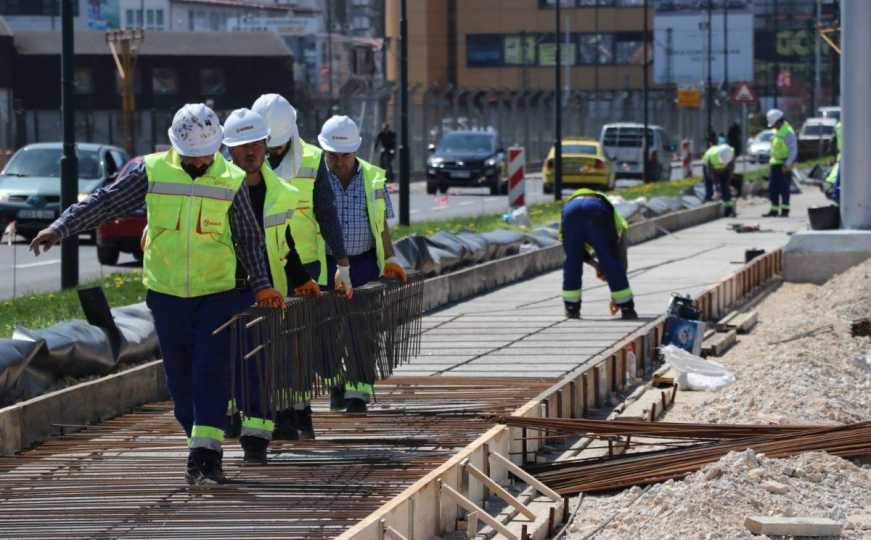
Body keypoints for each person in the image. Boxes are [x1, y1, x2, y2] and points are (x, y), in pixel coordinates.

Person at [28, 103, 284, 485]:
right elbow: (105, 201)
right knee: (181, 381)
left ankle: (206, 457)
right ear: (176, 147)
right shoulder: (150, 170)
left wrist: (262, 284)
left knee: (210, 372)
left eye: (206, 154)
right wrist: (60, 228)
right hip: (166, 295)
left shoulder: (230, 179)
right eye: (192, 155)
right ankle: (197, 440)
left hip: (217, 293)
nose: (200, 162)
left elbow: (248, 237)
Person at [222, 108, 321, 464]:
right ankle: (230, 419)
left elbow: (286, 242)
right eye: (241, 146)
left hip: (269, 292)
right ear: (228, 150)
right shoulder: (215, 187)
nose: (250, 152)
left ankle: (257, 439)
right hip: (223, 289)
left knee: (264, 365)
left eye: (256, 144)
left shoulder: (279, 189)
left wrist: (302, 280)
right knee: (230, 363)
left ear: (266, 145)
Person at [251, 93, 351, 440]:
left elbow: (327, 212)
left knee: (298, 348)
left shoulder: (311, 159)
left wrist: (342, 263)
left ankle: (299, 413)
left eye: (277, 147)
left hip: (304, 269)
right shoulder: (243, 156)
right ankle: (276, 413)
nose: (272, 152)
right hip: (259, 268)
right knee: (267, 345)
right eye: (268, 146)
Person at [317, 115, 407, 413]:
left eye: (345, 155)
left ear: (355, 151)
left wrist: (391, 258)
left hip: (365, 264)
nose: (339, 162)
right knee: (329, 330)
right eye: (333, 155)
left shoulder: (372, 177)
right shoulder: (314, 178)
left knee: (363, 329)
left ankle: (358, 393)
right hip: (327, 264)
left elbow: (380, 223)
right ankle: (335, 383)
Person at [561, 188, 637, 321]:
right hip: (596, 210)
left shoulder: (569, 205)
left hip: (570, 211)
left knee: (572, 261)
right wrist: (607, 269)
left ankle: (571, 308)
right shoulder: (617, 221)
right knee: (609, 260)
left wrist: (596, 265)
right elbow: (618, 257)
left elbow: (574, 250)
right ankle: (626, 308)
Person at [764, 108, 797, 217]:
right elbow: (774, 148)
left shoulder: (788, 132)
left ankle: (785, 210)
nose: (773, 126)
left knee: (784, 188)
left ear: (779, 121)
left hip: (784, 164)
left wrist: (787, 164)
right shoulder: (776, 131)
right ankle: (774, 209)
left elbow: (793, 150)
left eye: (774, 124)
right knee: (773, 188)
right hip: (775, 163)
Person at [702, 143, 737, 217]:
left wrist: (728, 180)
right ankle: (708, 199)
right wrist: (716, 183)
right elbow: (709, 172)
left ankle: (728, 208)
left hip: (725, 170)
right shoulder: (711, 155)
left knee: (725, 187)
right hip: (709, 167)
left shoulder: (730, 153)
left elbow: (731, 168)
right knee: (708, 183)